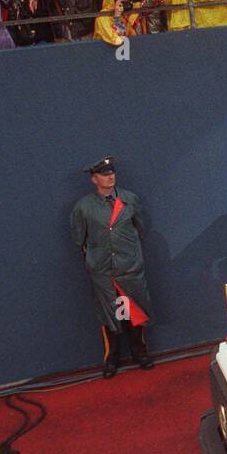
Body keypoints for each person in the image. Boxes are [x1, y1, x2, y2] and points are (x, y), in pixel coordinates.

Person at [69, 157, 154, 378]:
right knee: (110, 315)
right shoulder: (83, 207)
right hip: (103, 272)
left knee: (132, 312)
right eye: (105, 174)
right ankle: (112, 358)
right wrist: (95, 262)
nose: (111, 176)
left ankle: (140, 353)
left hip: (129, 268)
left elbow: (140, 228)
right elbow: (79, 239)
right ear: (94, 179)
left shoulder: (129, 200)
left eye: (112, 173)